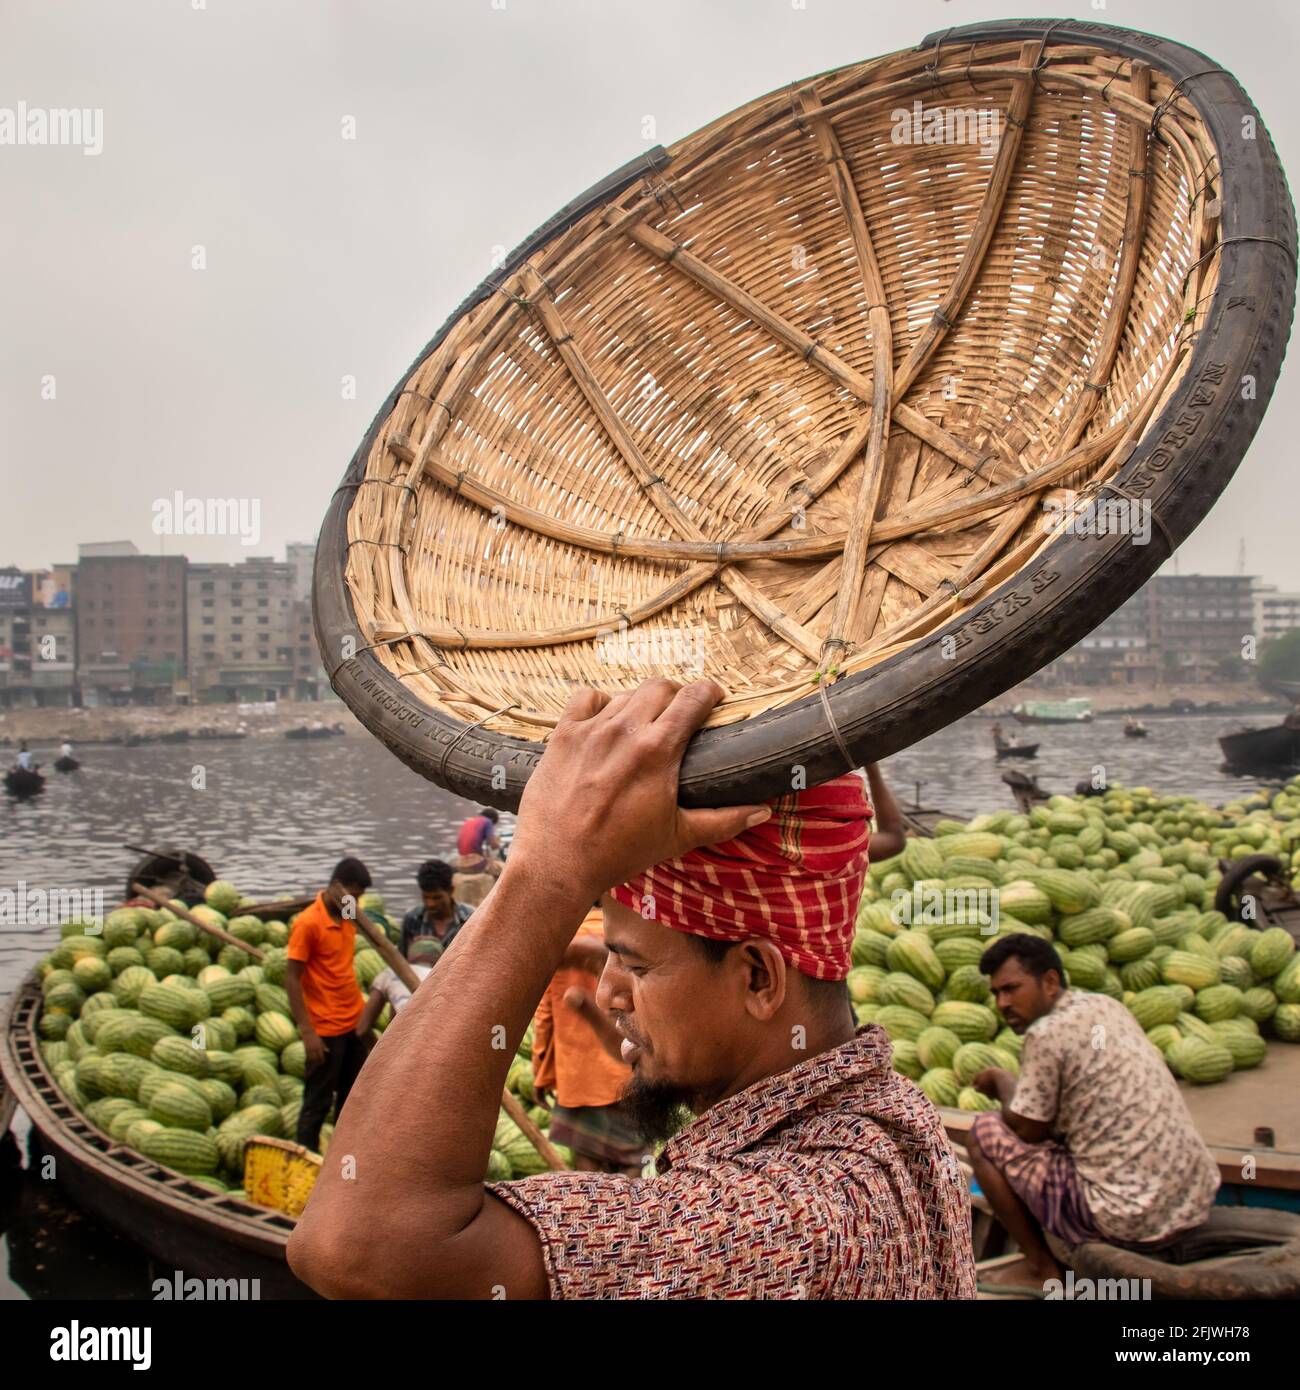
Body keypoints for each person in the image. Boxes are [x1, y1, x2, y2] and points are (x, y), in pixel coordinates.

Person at [289, 678, 975, 1300]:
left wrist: (548, 872)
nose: (612, 992)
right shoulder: (901, 1121)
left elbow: (353, 1245)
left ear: (760, 978)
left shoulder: (783, 1226)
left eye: (638, 966)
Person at [965, 933, 1220, 1291]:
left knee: (984, 1133)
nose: (1003, 1003)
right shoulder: (1105, 1006)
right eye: (996, 994)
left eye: (1012, 989)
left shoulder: (1046, 1034)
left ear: (1050, 982)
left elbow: (1027, 1130)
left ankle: (1041, 1267)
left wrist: (1003, 1082)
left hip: (1124, 1220)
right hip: (1193, 1198)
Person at [531, 903, 648, 1176]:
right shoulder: (632, 935)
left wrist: (542, 1074)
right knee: (633, 1158)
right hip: (625, 1072)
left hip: (578, 1078)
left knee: (586, 1161)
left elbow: (545, 1016)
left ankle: (594, 1213)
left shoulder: (562, 940)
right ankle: (632, 1216)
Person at [286, 857, 372, 1153]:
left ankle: (341, 1163)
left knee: (351, 1102)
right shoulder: (308, 922)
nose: (356, 902)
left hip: (352, 1023)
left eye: (359, 898)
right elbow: (292, 978)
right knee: (316, 1103)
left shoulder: (348, 917)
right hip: (325, 1029)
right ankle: (303, 1161)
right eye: (354, 895)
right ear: (337, 887)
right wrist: (307, 1032)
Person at [355, 937, 442, 1039]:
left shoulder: (389, 974)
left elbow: (362, 1030)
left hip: (399, 1044)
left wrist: (377, 1049)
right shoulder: (445, 979)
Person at [398, 859, 473, 960]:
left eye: (437, 897)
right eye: (426, 897)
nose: (430, 904)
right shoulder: (412, 919)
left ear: (451, 891)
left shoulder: (470, 919)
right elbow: (402, 959)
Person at [455, 807, 502, 877]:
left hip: (460, 862)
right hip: (473, 864)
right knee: (501, 869)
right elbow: (494, 845)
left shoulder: (469, 821)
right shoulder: (488, 822)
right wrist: (498, 842)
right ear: (492, 819)